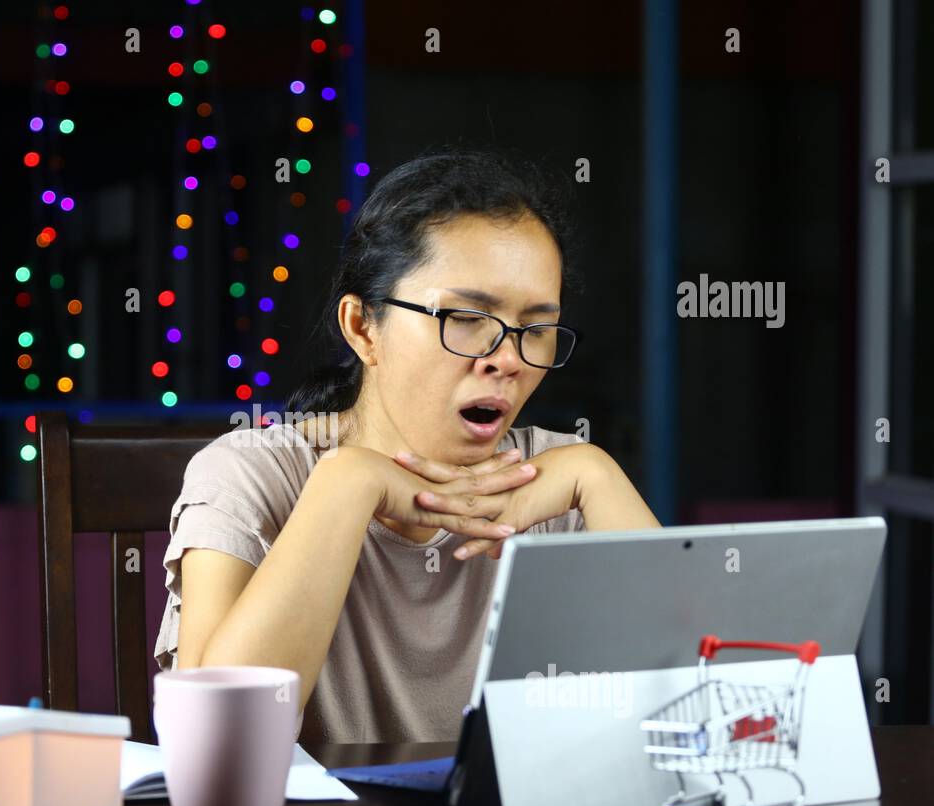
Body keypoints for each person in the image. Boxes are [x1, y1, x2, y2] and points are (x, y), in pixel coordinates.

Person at [154, 146, 660, 747]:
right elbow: (214, 744)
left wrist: (597, 473)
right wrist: (348, 485)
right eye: (467, 317)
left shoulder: (560, 483)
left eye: (535, 329)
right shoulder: (250, 476)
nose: (506, 360)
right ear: (364, 327)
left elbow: (713, 718)